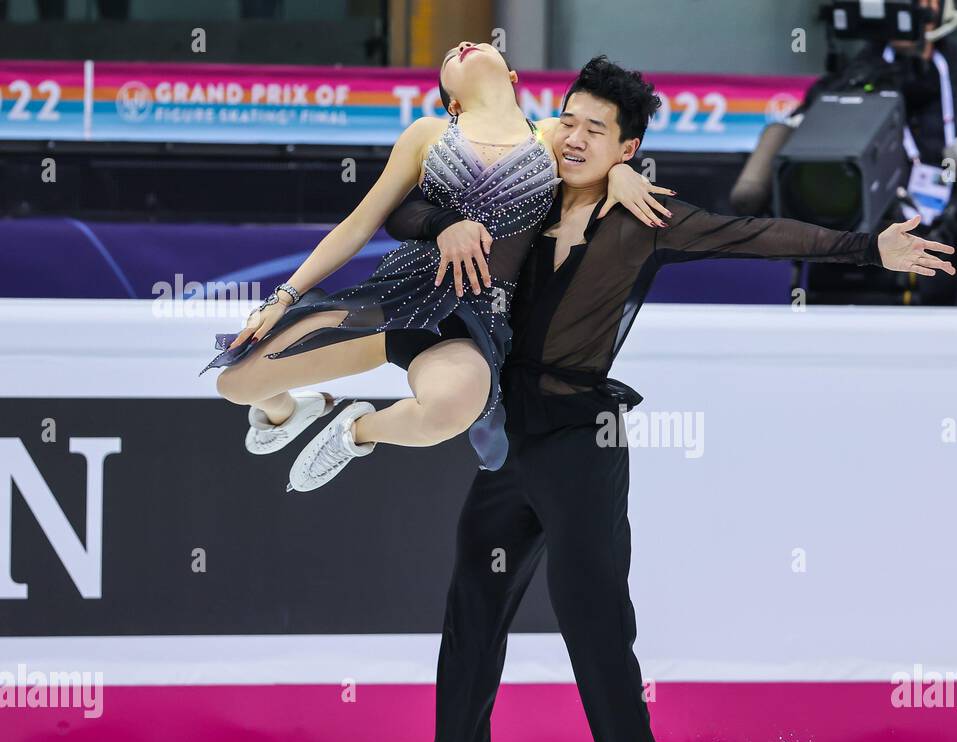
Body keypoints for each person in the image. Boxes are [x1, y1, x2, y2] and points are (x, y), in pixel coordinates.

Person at [370, 55, 954, 742]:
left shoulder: (645, 216)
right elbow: (403, 212)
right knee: (472, 610)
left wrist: (866, 248)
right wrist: (446, 225)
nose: (572, 137)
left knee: (593, 617)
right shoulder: (520, 191)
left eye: (594, 130)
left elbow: (753, 233)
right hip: (508, 437)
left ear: (627, 146)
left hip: (580, 439)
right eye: (567, 120)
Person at [200, 41, 662, 484]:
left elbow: (601, 146)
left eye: (479, 45)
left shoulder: (552, 134)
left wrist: (621, 171)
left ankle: (355, 431)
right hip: (396, 297)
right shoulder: (429, 133)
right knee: (236, 385)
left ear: (513, 77)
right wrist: (283, 298)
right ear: (453, 103)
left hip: (475, 315)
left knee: (449, 409)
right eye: (449, 57)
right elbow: (359, 224)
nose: (462, 44)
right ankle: (290, 411)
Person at [731, 0, 957, 306]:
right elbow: (771, 203)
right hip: (843, 298)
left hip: (943, 303)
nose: (909, 6)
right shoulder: (836, 92)